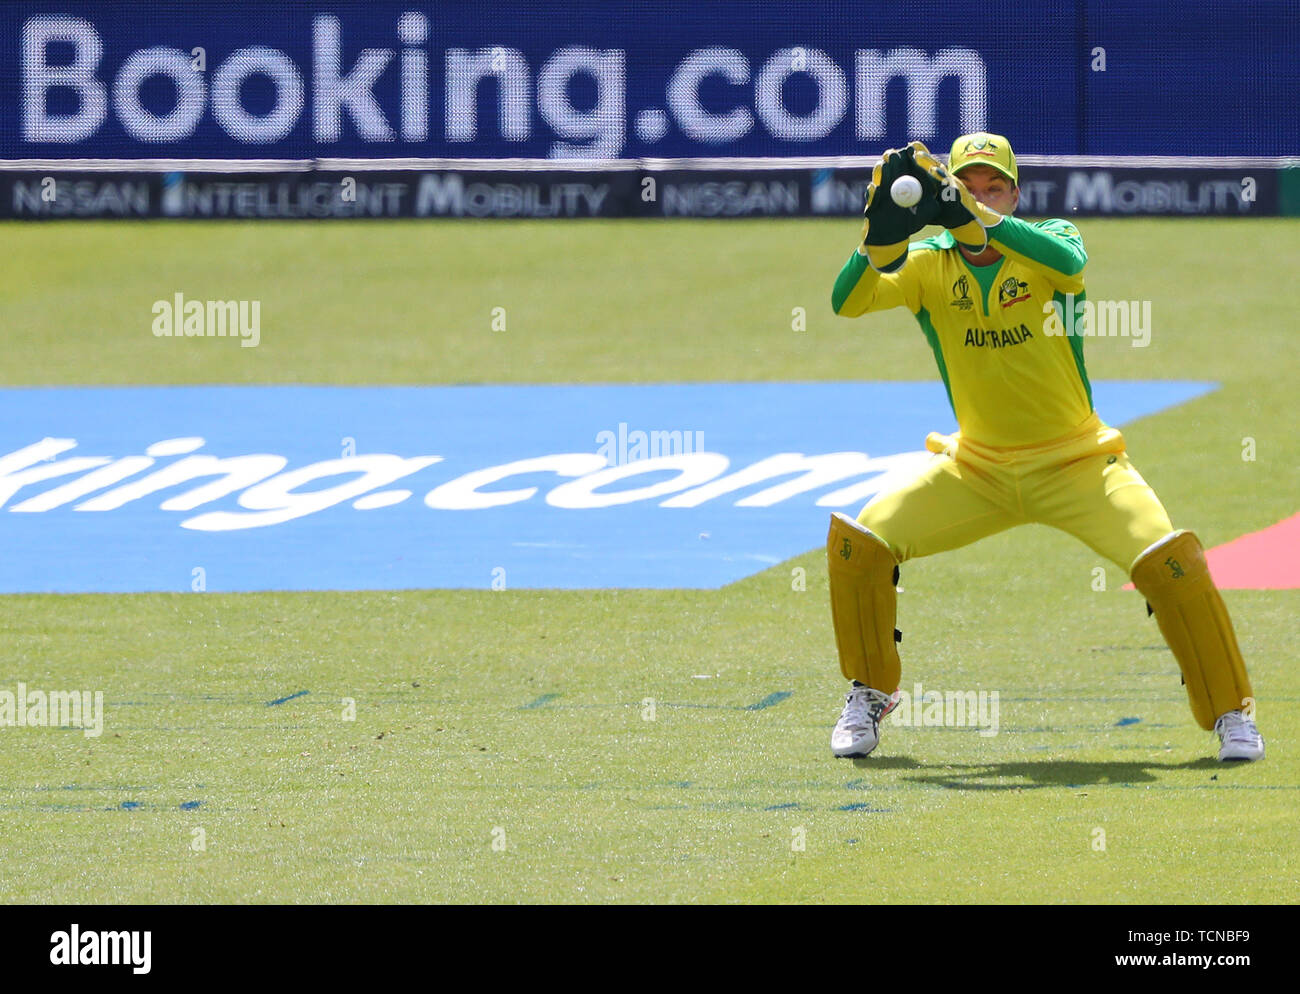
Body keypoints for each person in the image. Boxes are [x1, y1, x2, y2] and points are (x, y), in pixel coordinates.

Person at [826, 132, 1264, 763]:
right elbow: (847, 302)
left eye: (993, 187)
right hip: (976, 469)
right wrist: (878, 240)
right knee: (859, 544)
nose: (980, 196)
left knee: (1172, 562)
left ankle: (1231, 711)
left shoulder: (1049, 241)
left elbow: (1070, 267)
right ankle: (869, 693)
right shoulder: (927, 266)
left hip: (1080, 464)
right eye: (967, 186)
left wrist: (976, 219)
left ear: (1015, 193)